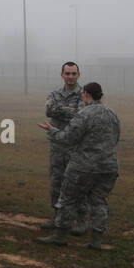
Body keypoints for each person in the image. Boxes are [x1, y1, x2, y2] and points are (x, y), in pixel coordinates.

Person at [37, 82, 121, 250]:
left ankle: (60, 235)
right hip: (108, 167)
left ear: (85, 94)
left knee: (68, 199)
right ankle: (96, 240)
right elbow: (116, 137)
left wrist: (52, 130)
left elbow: (67, 138)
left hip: (83, 166)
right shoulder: (112, 114)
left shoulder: (84, 114)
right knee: (99, 202)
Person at [42, 62, 85, 232]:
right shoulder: (54, 93)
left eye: (73, 73)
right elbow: (48, 110)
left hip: (76, 146)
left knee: (78, 182)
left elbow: (82, 115)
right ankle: (58, 217)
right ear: (62, 75)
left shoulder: (85, 94)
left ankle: (81, 219)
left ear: (78, 75)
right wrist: (71, 110)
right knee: (56, 181)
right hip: (57, 146)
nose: (70, 77)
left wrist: (60, 110)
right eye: (67, 73)